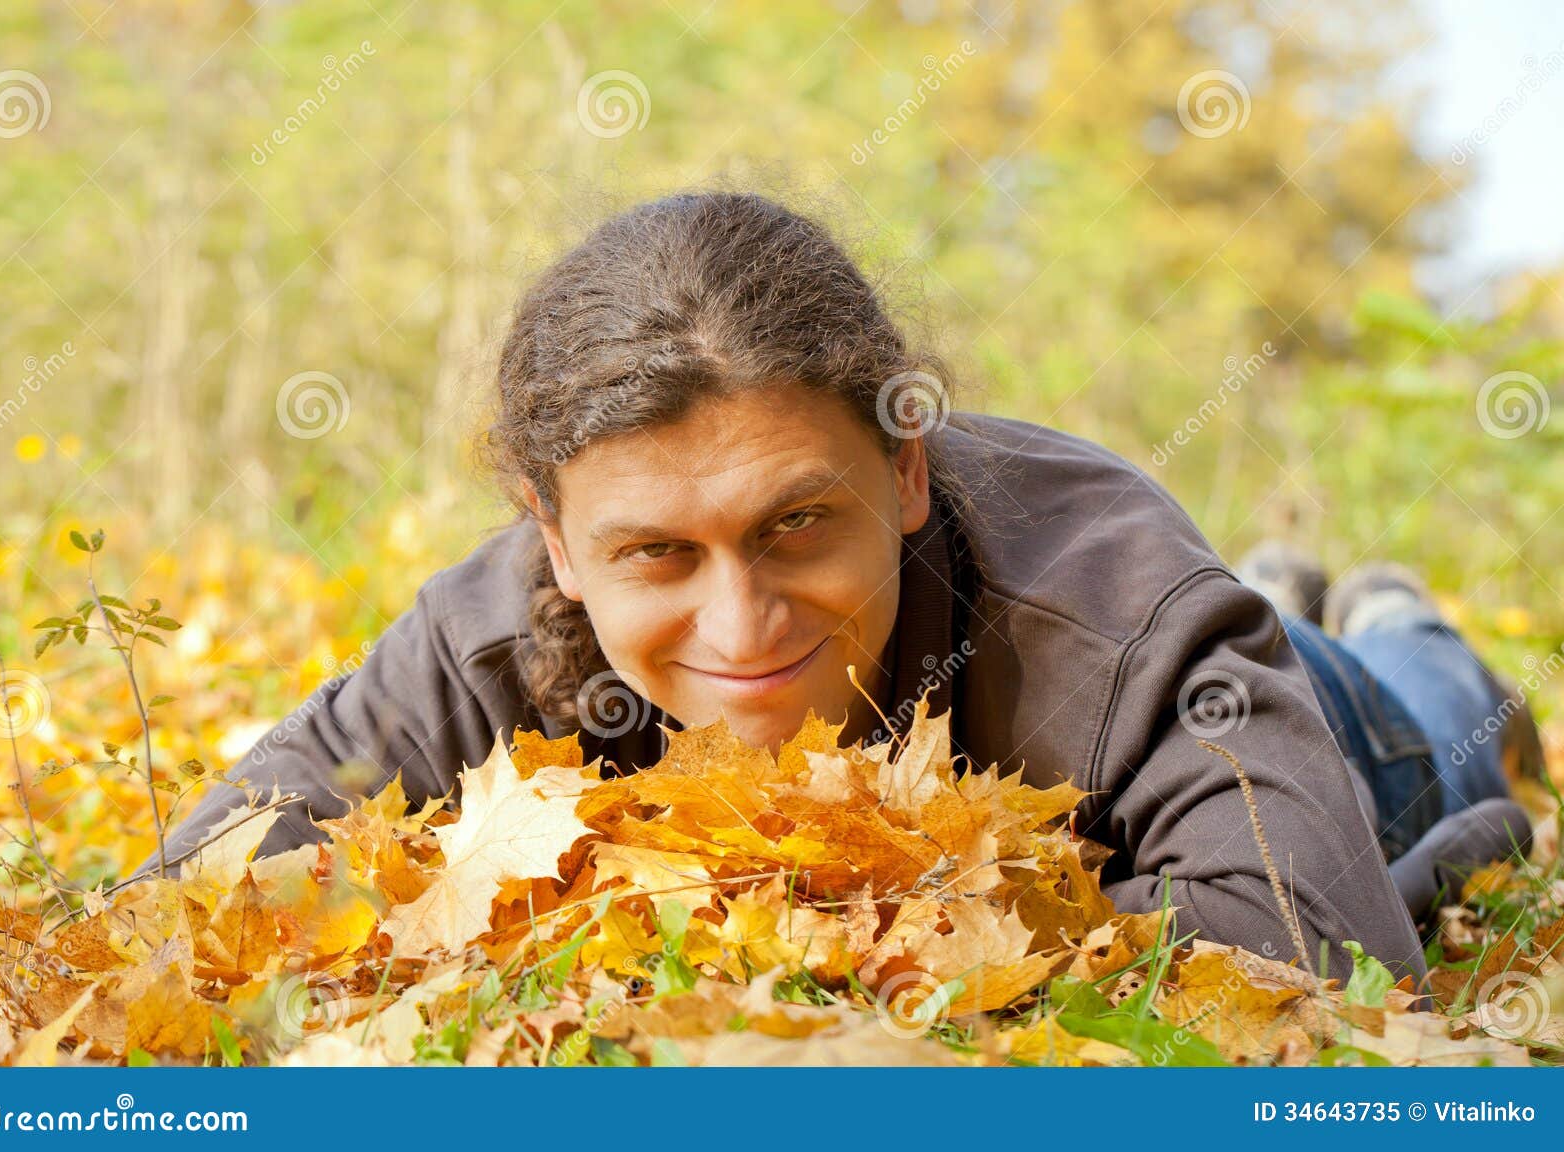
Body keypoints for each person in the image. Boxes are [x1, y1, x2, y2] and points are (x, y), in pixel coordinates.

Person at [134, 191, 1540, 986]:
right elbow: (172, 909)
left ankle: (1389, 614)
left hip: (1347, 730)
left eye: (797, 525)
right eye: (657, 555)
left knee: (1428, 688)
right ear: (553, 541)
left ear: (907, 469)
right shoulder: (490, 629)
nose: (740, 625)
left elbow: (1314, 973)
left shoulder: (1115, 605)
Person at [1235, 545, 1536, 924]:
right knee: (1398, 629)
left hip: (1248, 665)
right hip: (1383, 765)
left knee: (1248, 623)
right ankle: (1375, 611)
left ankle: (1275, 605)